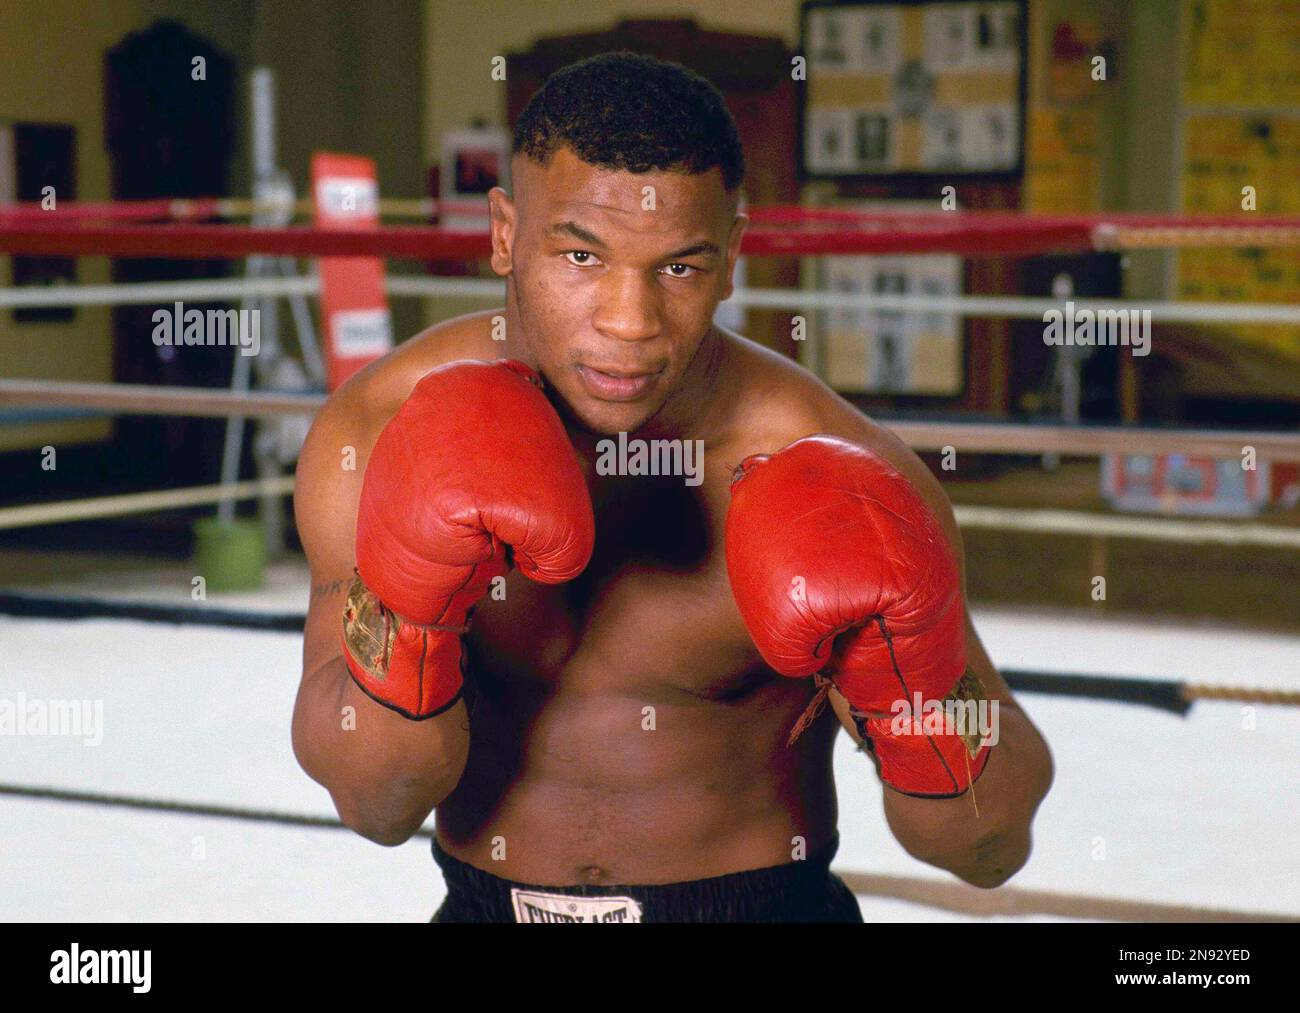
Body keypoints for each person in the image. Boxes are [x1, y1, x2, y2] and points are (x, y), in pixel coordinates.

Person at [291, 51, 1053, 923]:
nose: (629, 322)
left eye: (679, 268)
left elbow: (989, 849)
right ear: (504, 233)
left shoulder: (834, 465)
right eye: (581, 254)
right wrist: (409, 622)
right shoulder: (379, 433)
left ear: (731, 257)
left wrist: (918, 704)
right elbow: (374, 807)